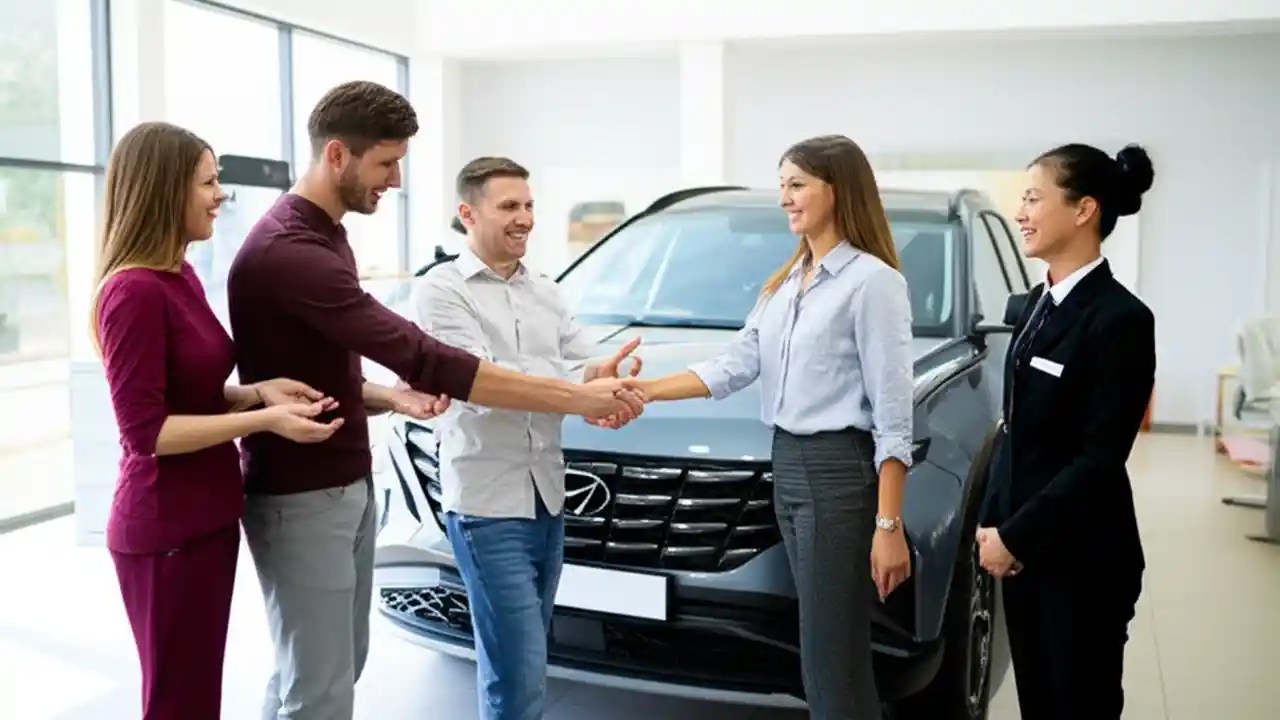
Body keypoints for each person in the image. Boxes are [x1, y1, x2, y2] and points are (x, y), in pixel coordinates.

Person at [226, 81, 644, 720]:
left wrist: (386, 397)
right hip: (306, 493)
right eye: (387, 163)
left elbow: (313, 371)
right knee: (319, 688)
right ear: (337, 155)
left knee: (320, 674)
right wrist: (576, 396)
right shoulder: (292, 249)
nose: (395, 180)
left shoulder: (325, 236)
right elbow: (431, 359)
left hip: (343, 482)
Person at [633, 134, 914, 720]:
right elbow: (735, 365)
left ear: (838, 190)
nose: (784, 198)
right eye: (781, 185)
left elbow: (893, 415)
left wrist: (888, 525)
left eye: (797, 185)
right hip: (787, 466)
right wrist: (645, 390)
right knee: (819, 652)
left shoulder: (872, 283)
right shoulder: (787, 282)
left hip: (837, 472)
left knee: (833, 659)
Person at [91, 121, 344, 720]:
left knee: (198, 694)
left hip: (207, 517)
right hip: (164, 529)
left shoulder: (179, 276)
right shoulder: (132, 293)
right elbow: (147, 434)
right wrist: (263, 421)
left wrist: (255, 393)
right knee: (179, 703)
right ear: (163, 190)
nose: (220, 195)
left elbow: (192, 391)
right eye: (208, 182)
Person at [413, 156, 642, 720]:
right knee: (516, 676)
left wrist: (606, 377)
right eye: (509, 206)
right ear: (467, 214)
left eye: (530, 205)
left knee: (530, 661)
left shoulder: (545, 290)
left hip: (547, 499)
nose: (525, 219)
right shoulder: (442, 290)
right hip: (488, 506)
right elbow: (483, 385)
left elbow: (579, 360)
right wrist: (580, 392)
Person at [976, 143, 1156, 720]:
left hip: (1082, 563)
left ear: (1084, 210)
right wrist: (990, 524)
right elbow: (1016, 427)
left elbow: (1099, 460)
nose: (1021, 213)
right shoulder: (1037, 305)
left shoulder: (1120, 319)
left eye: (1033, 198)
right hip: (1025, 552)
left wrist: (1016, 536)